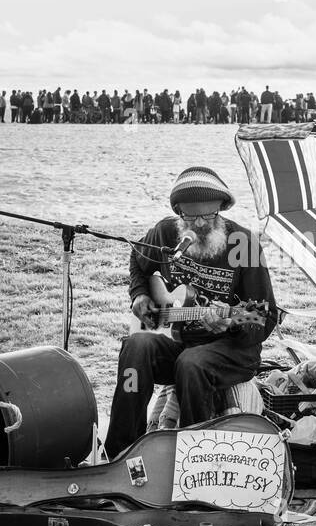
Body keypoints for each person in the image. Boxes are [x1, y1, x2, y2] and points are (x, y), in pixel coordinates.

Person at [103, 167, 278, 459]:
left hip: (232, 351)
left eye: (208, 217)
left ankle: (193, 460)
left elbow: (264, 316)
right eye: (190, 217)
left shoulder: (244, 244)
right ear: (178, 213)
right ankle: (120, 453)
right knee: (135, 346)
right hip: (177, 338)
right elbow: (138, 258)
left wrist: (229, 324)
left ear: (221, 209)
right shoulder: (165, 233)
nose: (199, 224)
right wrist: (140, 294)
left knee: (191, 363)